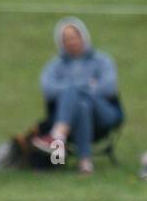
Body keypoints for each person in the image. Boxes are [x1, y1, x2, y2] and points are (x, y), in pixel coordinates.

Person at [33, 18, 123, 174]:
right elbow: (47, 89)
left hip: (103, 114)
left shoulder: (102, 61)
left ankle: (58, 135)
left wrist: (74, 87)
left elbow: (109, 87)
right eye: (66, 39)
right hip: (75, 115)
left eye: (74, 37)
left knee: (73, 90)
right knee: (82, 105)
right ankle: (85, 163)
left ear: (84, 37)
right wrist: (88, 84)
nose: (71, 42)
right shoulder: (55, 66)